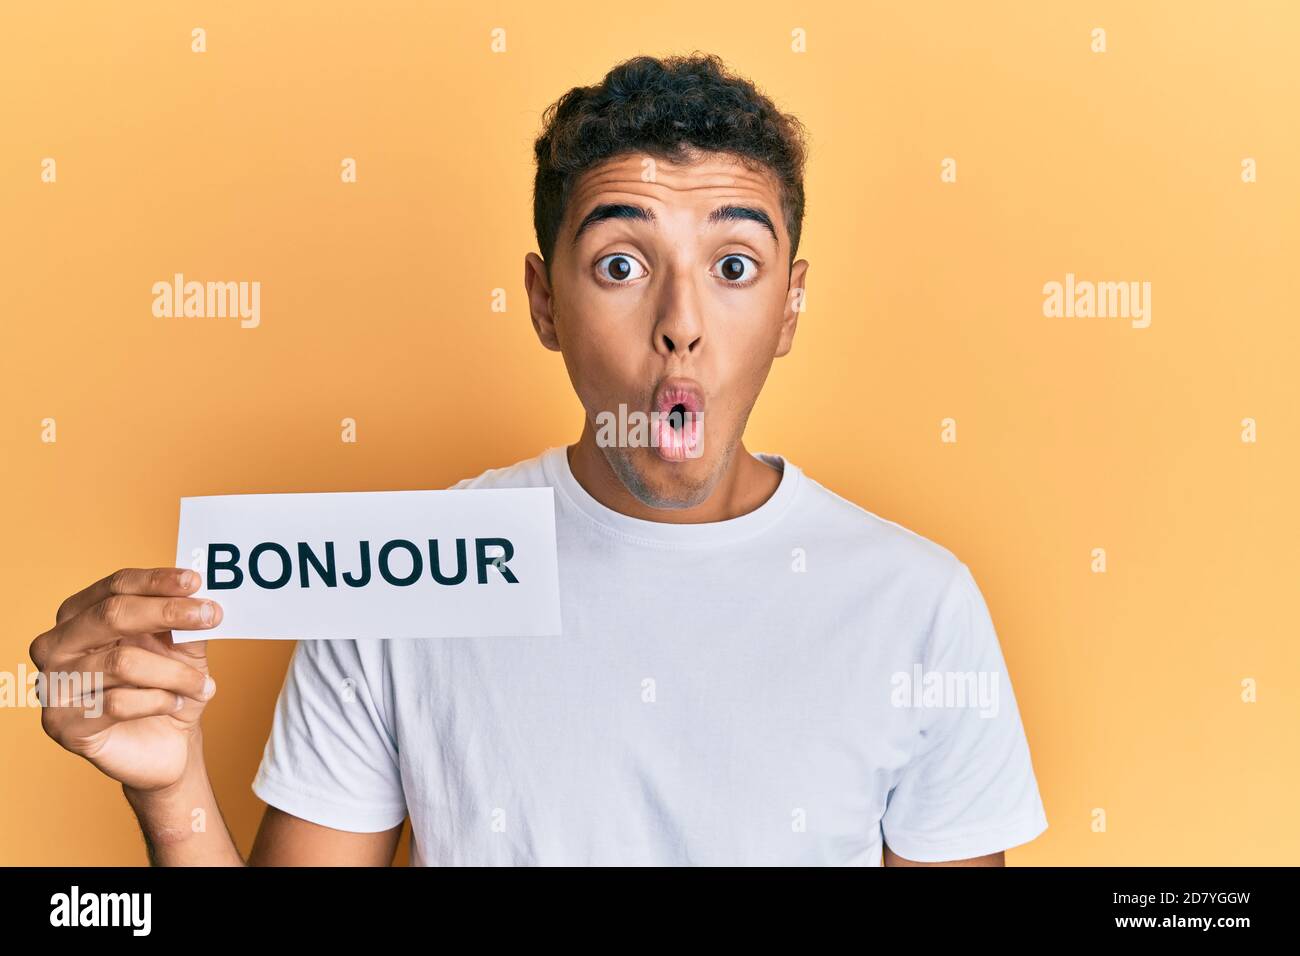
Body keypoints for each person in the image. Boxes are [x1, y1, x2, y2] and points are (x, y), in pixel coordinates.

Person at [30, 52, 1048, 866]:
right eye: (620, 264)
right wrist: (170, 793)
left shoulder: (917, 607)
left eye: (733, 266)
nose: (680, 323)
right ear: (543, 300)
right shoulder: (404, 575)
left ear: (788, 305)